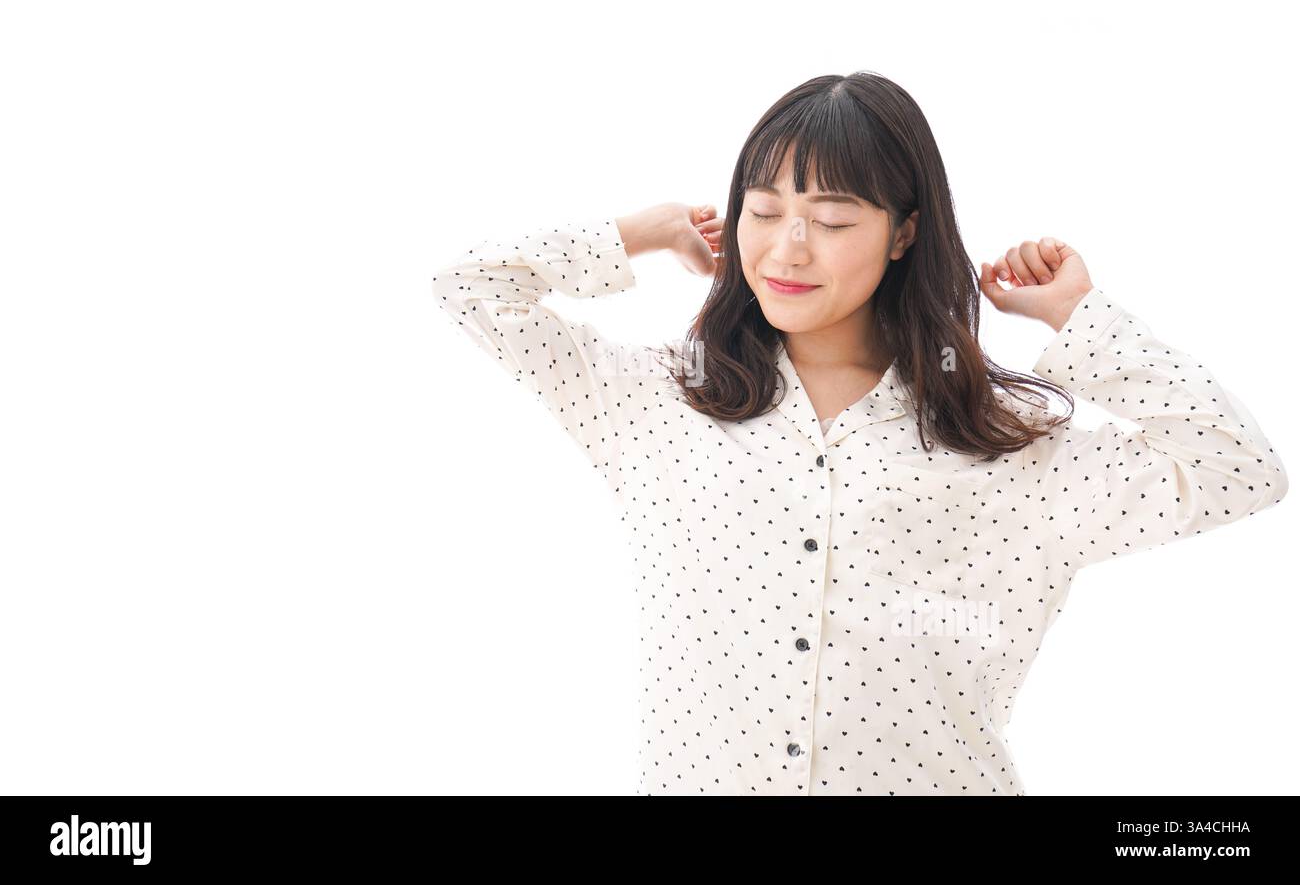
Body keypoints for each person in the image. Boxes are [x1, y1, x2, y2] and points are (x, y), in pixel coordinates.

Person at [429, 71, 1287, 796]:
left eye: (833, 222)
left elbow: (1239, 471)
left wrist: (1080, 319)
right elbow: (471, 289)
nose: (788, 250)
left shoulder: (1002, 444)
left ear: (904, 232)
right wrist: (640, 233)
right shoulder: (657, 405)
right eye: (763, 213)